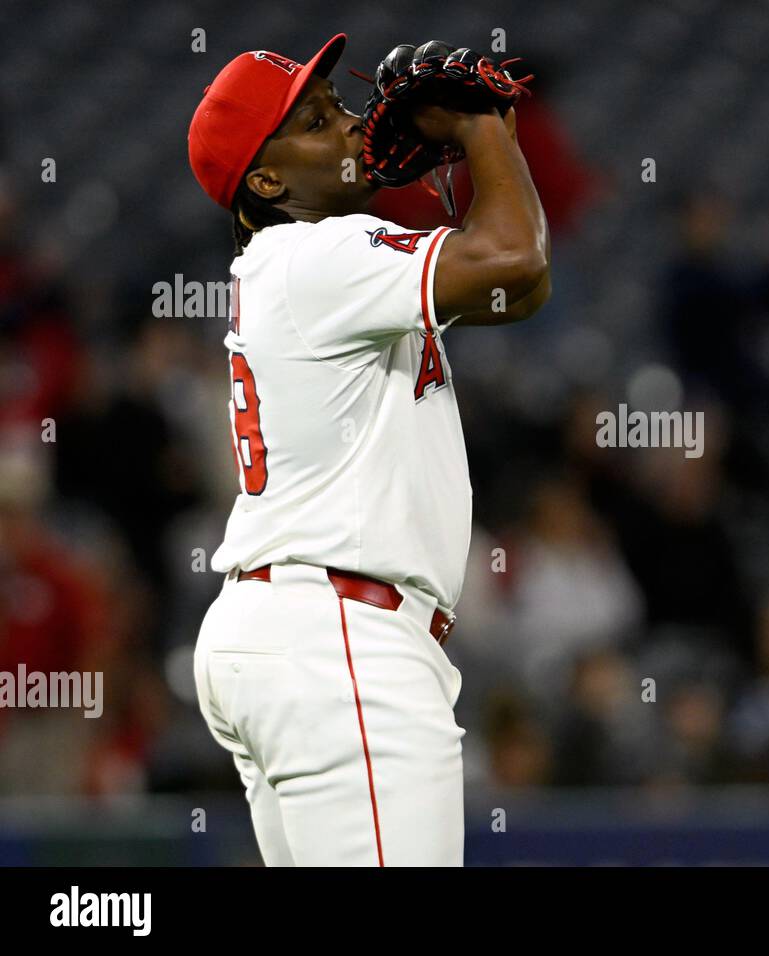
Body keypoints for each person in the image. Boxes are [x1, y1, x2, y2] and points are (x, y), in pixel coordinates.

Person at [186, 33, 550, 866]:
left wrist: (486, 139)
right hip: (340, 637)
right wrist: (480, 126)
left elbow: (516, 285)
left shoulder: (302, 266)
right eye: (315, 122)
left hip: (287, 628)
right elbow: (515, 258)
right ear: (268, 180)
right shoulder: (318, 255)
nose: (352, 127)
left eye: (338, 105)